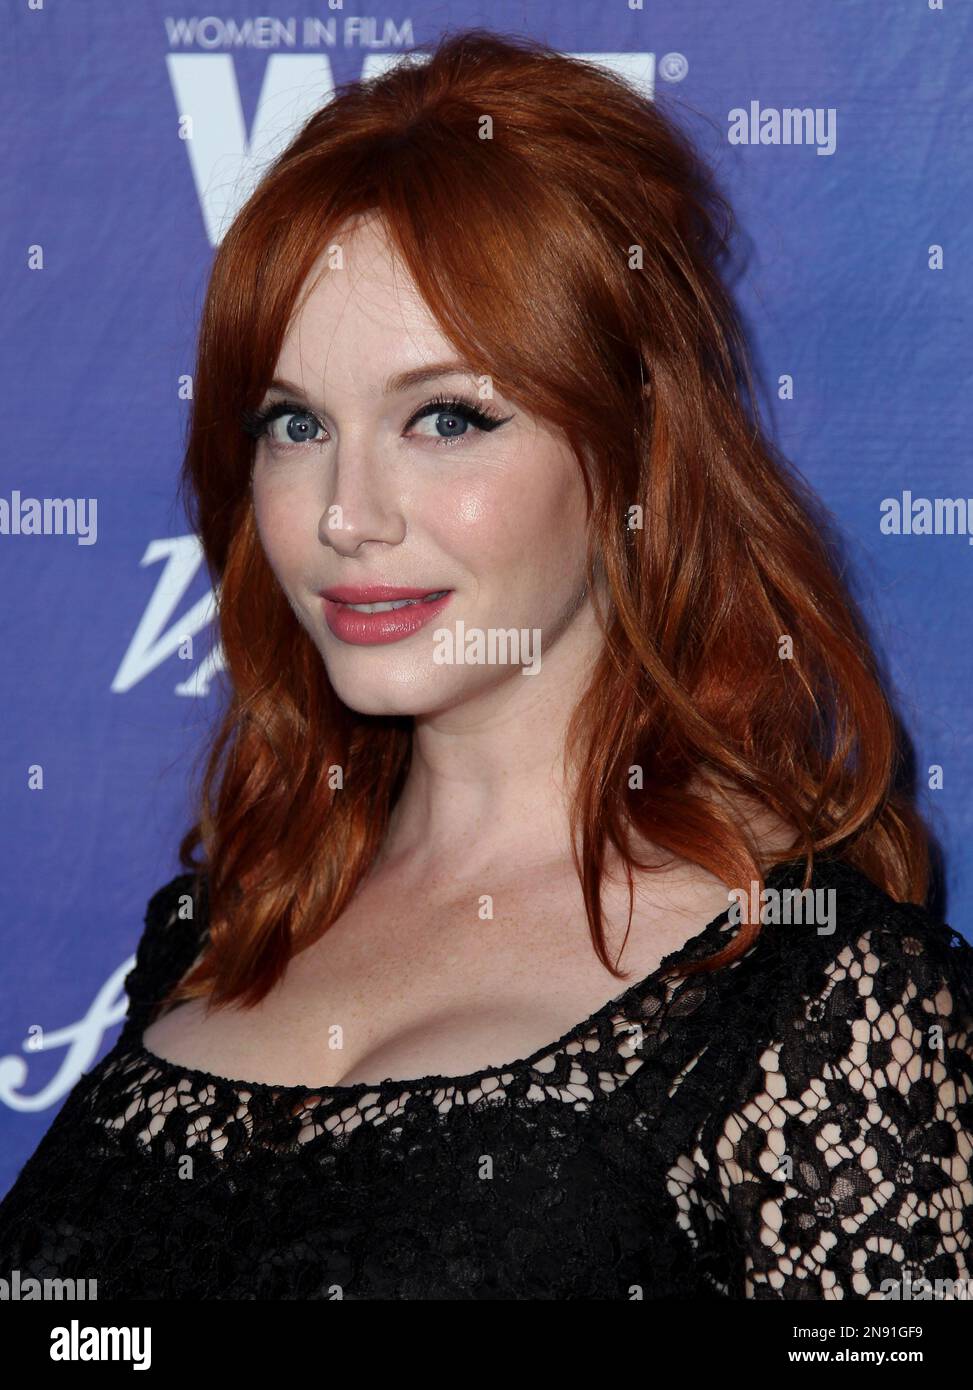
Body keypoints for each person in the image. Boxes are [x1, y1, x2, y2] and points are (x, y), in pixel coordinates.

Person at [1, 27, 971, 1301]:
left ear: (631, 449)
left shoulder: (819, 995)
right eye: (296, 424)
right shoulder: (213, 932)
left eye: (445, 417)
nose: (348, 512)